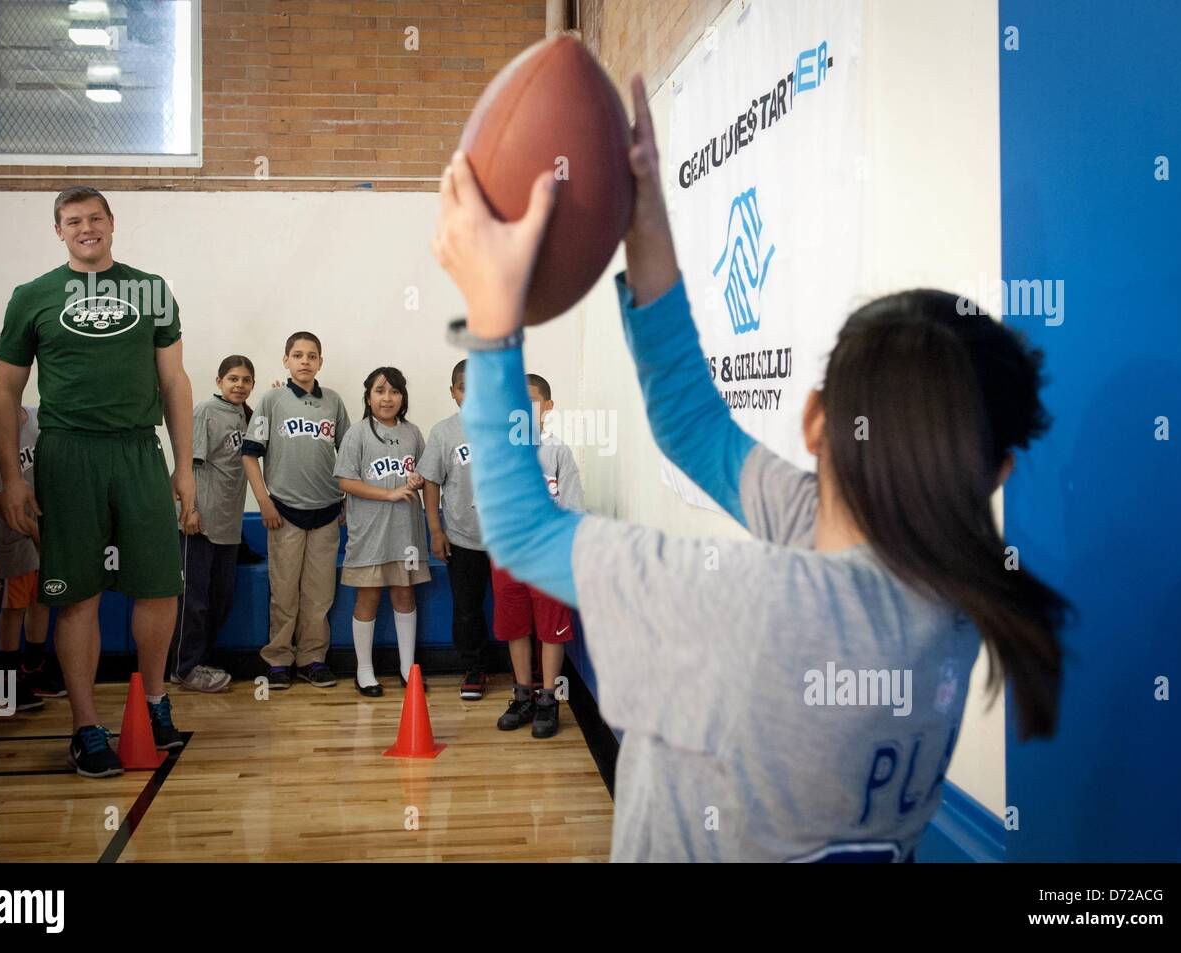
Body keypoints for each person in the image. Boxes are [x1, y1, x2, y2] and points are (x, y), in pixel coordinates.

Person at [431, 75, 1068, 861]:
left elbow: (523, 531)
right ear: (999, 471)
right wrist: (645, 219)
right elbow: (695, 428)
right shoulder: (959, 596)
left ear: (813, 422)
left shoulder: (755, 607)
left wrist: (492, 320)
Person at [0, 186, 195, 778]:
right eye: (74, 220)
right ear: (58, 231)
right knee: (75, 595)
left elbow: (176, 383)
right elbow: (4, 392)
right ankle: (85, 727)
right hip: (67, 455)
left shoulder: (151, 291)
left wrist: (183, 468)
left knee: (159, 586)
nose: (86, 228)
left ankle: (155, 703)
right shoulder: (32, 296)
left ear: (112, 223)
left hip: (137, 450)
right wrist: (12, 477)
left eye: (96, 218)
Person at [242, 333, 348, 691]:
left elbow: (348, 458)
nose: (305, 361)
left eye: (312, 356)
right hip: (283, 510)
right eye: (298, 355)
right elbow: (249, 454)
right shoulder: (272, 400)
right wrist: (264, 501)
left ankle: (312, 659)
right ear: (286, 359)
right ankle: (278, 659)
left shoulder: (333, 402)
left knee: (320, 594)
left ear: (321, 362)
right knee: (284, 591)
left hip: (327, 511)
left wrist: (346, 500)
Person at [489, 372, 583, 739]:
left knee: (551, 630)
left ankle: (548, 699)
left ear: (547, 407)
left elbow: (573, 508)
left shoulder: (558, 451)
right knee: (515, 627)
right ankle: (523, 694)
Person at [335, 367, 429, 697]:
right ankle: (364, 671)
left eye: (394, 391)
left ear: (403, 397)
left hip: (406, 531)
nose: (387, 398)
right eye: (379, 391)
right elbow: (345, 481)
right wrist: (387, 493)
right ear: (368, 397)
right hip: (369, 530)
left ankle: (407, 667)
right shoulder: (357, 434)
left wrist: (417, 479)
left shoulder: (413, 432)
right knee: (368, 595)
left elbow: (424, 474)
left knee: (404, 594)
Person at [168, 355, 257, 693]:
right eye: (233, 378)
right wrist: (189, 511)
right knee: (194, 600)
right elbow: (187, 465)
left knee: (220, 599)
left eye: (246, 380)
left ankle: (200, 661)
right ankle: (183, 667)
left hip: (228, 526)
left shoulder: (245, 417)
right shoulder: (207, 411)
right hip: (199, 523)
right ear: (219, 381)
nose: (239, 385)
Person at [0, 402, 56, 713]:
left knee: (42, 599)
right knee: (14, 607)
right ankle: (6, 687)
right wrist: (34, 530)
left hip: (46, 525)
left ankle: (34, 669)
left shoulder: (37, 418)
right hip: (14, 534)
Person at [418, 359, 494, 700]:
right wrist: (436, 529)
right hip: (463, 538)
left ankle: (531, 670)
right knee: (466, 608)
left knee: (517, 605)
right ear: (453, 392)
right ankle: (473, 667)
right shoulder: (443, 432)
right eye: (464, 387)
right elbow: (431, 482)